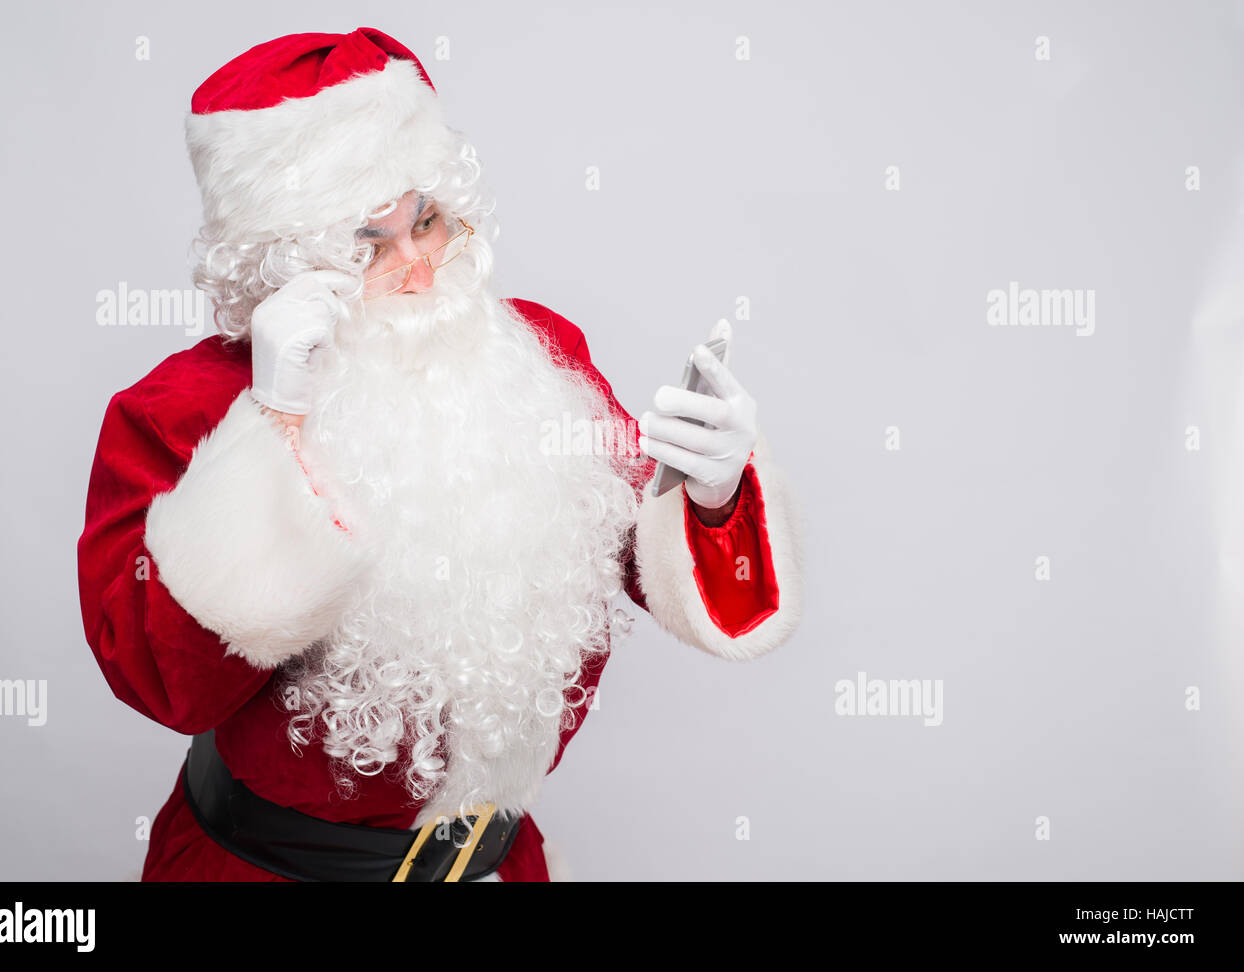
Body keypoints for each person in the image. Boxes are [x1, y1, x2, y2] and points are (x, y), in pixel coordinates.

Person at [76, 26, 805, 882]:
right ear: (283, 265)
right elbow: (164, 682)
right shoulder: (178, 411)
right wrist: (272, 425)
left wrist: (713, 494)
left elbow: (638, 554)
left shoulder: (531, 350)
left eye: (427, 221)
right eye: (367, 243)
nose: (420, 267)